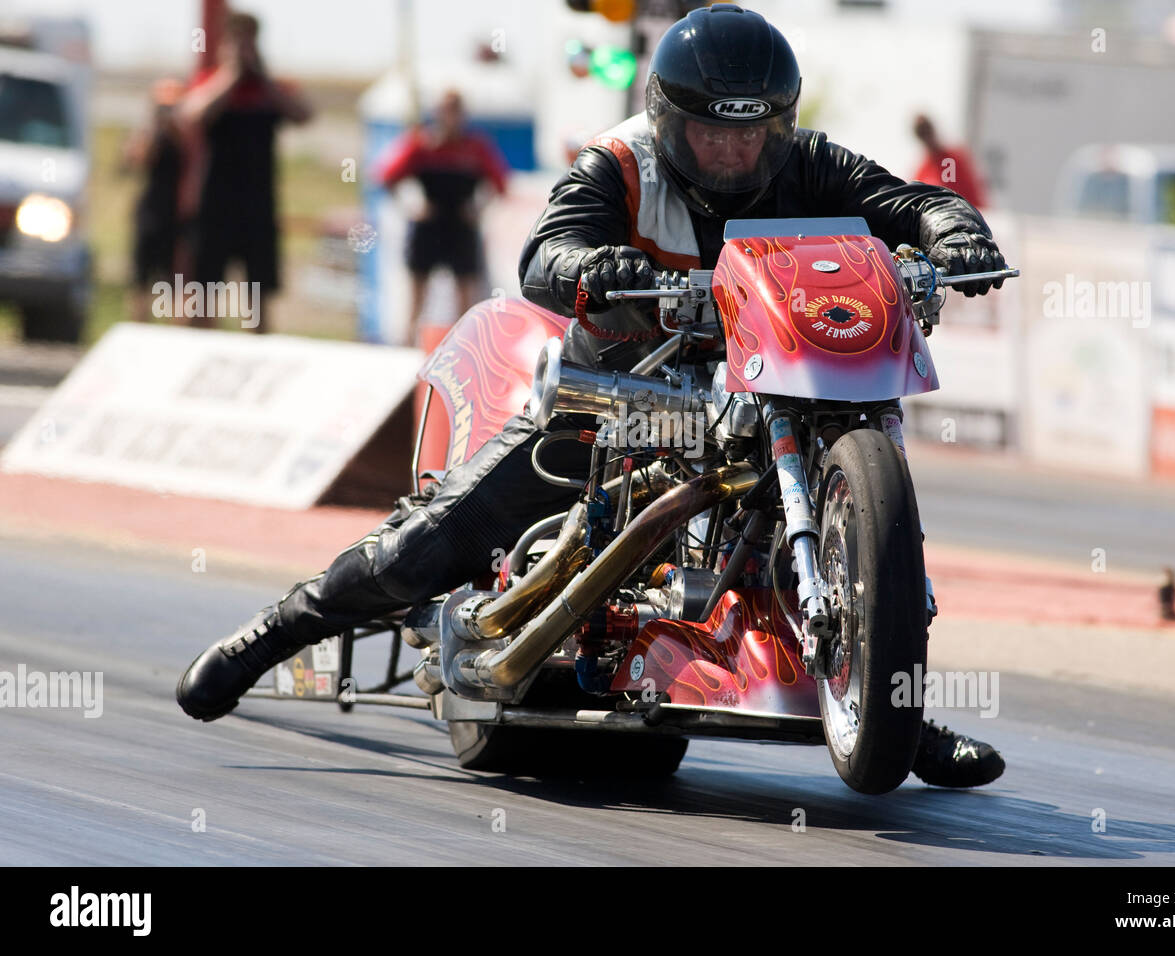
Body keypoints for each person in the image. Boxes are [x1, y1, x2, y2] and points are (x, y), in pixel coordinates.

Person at [178, 4, 1006, 788]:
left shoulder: (810, 161)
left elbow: (910, 200)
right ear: (669, 119)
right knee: (428, 544)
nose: (731, 151)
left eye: (751, 131)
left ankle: (892, 710)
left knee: (866, 460)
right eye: (710, 130)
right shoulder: (619, 162)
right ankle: (275, 632)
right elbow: (546, 252)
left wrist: (951, 230)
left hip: (765, 403)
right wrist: (591, 268)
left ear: (778, 123)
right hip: (619, 403)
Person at [178, 10, 312, 333]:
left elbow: (303, 114)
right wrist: (231, 75)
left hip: (257, 202)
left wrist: (262, 78)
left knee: (257, 294)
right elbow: (192, 114)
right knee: (204, 290)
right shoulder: (212, 82)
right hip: (216, 201)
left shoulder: (269, 89)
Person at [374, 90, 509, 346]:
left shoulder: (475, 147)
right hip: (429, 227)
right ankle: (406, 349)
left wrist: (478, 209)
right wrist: (412, 206)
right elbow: (385, 176)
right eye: (446, 110)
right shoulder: (422, 144)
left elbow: (501, 183)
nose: (450, 117)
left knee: (465, 297)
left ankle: (463, 350)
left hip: (461, 226)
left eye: (455, 110)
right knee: (416, 298)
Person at [123, 78, 186, 323]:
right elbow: (135, 160)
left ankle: (176, 331)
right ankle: (138, 327)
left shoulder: (185, 137)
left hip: (176, 216)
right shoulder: (148, 134)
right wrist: (151, 130)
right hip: (150, 214)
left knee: (175, 283)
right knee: (140, 280)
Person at [912, 113, 988, 210]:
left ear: (933, 130)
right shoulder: (922, 171)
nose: (926, 136)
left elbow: (972, 192)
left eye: (927, 130)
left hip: (968, 215)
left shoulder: (954, 159)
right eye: (921, 133)